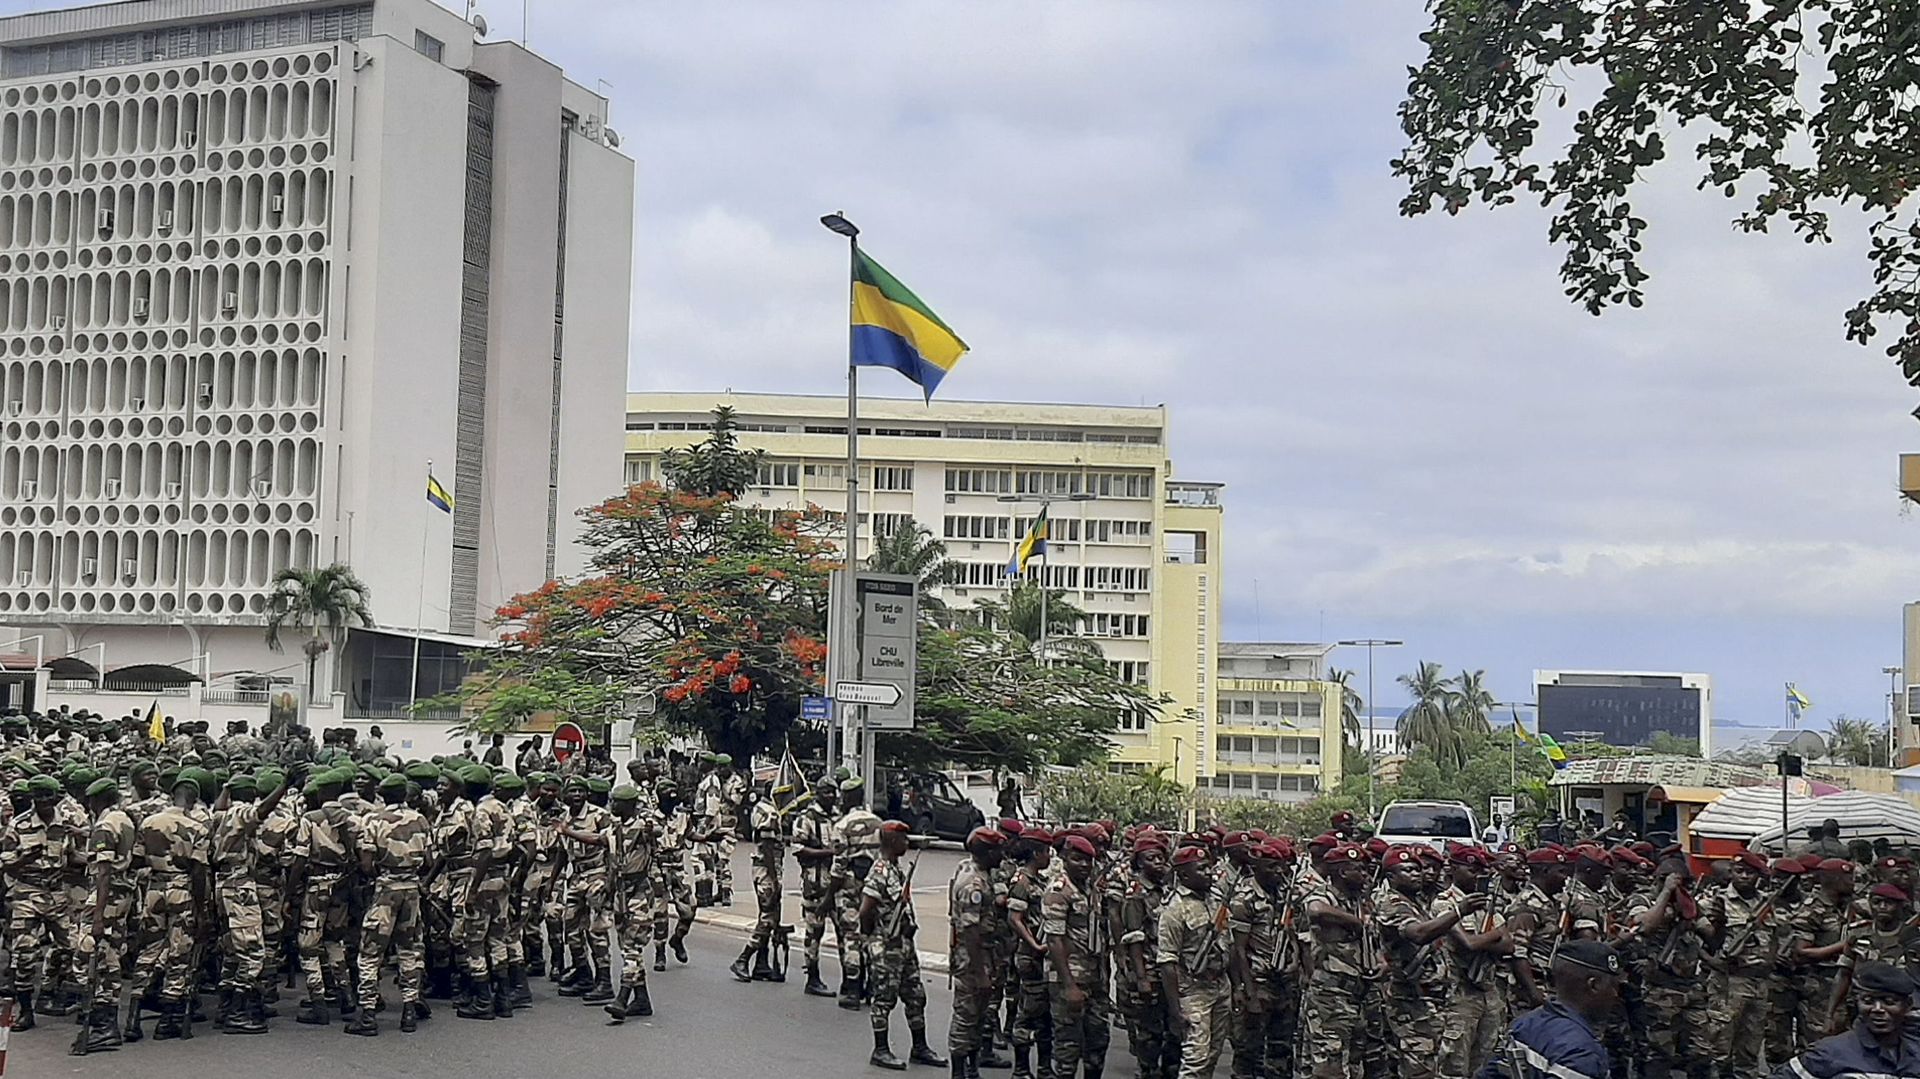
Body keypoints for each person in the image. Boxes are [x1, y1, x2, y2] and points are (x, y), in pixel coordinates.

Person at [860, 820, 946, 1071]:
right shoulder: (880, 871)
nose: (907, 844)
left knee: (916, 996)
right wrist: (876, 938)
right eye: (903, 839)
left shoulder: (896, 869)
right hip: (888, 945)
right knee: (884, 999)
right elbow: (866, 910)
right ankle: (881, 1050)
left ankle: (919, 1047)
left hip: (904, 945)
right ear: (892, 841)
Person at [1478, 940, 1623, 1079]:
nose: (1615, 994)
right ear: (1594, 985)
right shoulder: (1581, 1052)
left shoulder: (1525, 1023)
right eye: (1613, 986)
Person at [1771, 962, 1920, 1079]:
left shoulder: (1915, 1052)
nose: (1877, 1009)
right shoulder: (1830, 1052)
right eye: (1868, 1001)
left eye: (1889, 1002)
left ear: (1907, 1006)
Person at [949, 826, 1006, 1073]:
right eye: (999, 850)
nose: (1002, 855)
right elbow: (970, 931)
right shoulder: (973, 884)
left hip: (984, 955)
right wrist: (981, 972)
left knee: (979, 1015)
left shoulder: (976, 871)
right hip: (972, 959)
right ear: (988, 852)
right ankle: (959, 1071)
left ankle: (972, 1067)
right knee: (966, 1015)